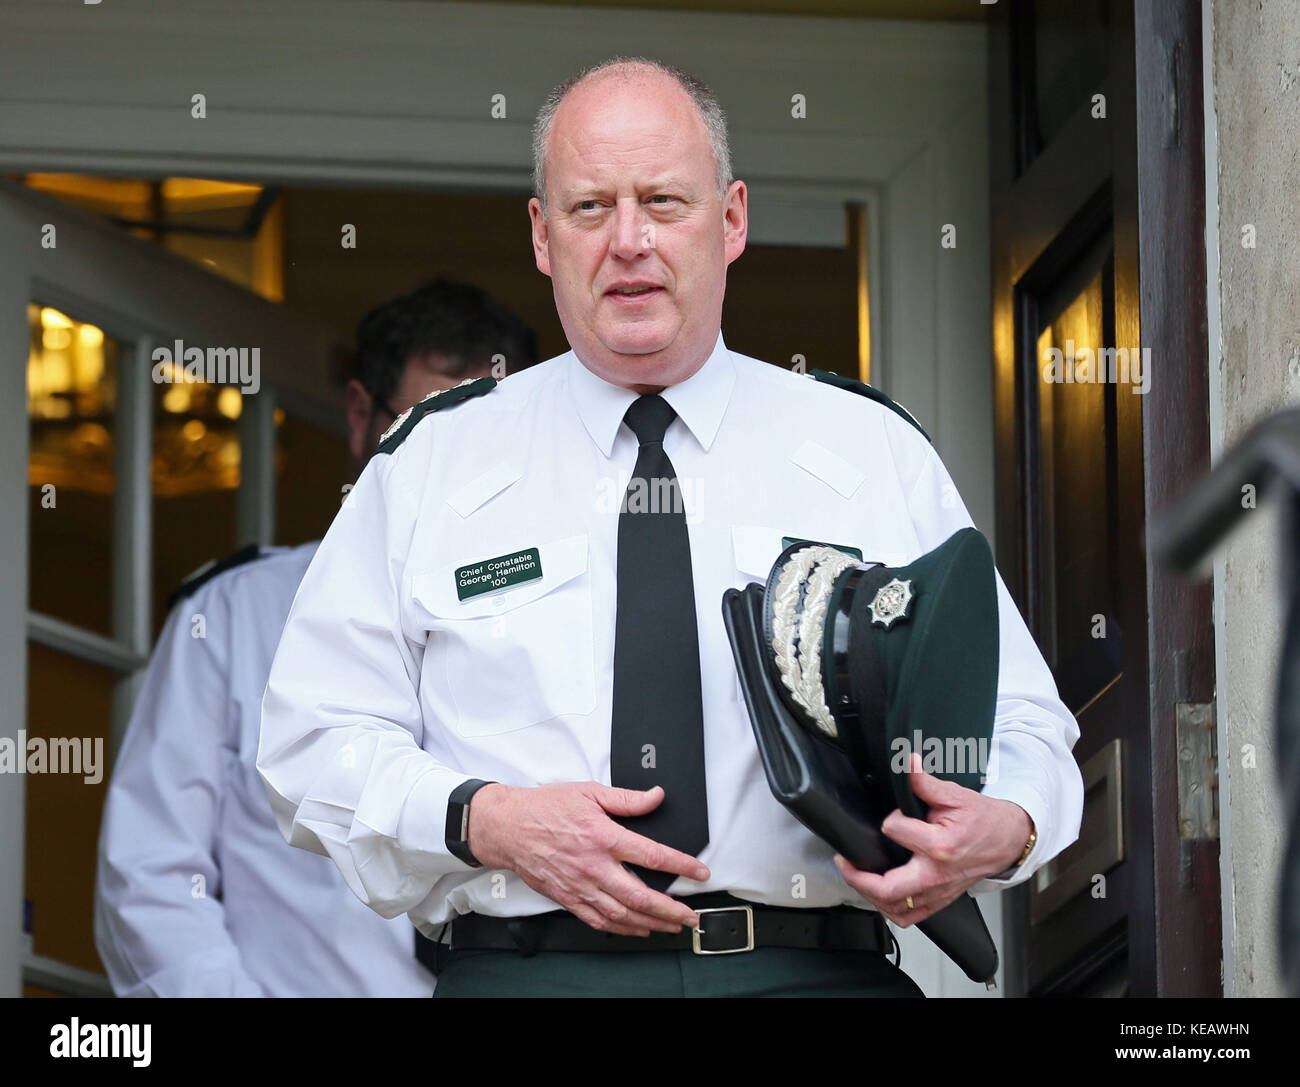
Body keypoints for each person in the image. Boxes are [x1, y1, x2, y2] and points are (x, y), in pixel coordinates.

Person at [258, 58, 1084, 998]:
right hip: (529, 975)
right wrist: (486, 820)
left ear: (731, 219)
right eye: (590, 208)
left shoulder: (866, 446)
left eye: (662, 201)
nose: (629, 241)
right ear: (542, 235)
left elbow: (1023, 721)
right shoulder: (429, 462)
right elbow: (311, 740)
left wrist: (1007, 824)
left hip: (813, 973)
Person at [94, 280, 538, 997]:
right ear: (361, 416)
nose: (452, 471)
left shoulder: (562, 623)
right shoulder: (233, 615)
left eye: (484, 440)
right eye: (424, 431)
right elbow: (152, 873)